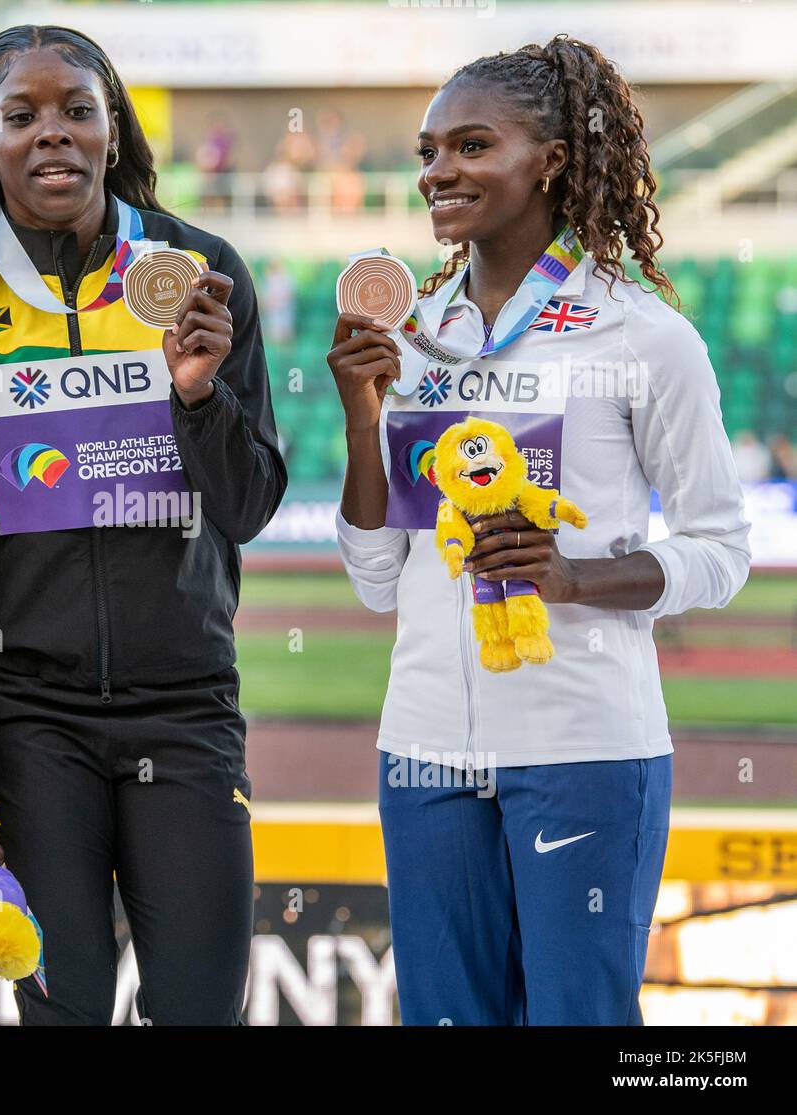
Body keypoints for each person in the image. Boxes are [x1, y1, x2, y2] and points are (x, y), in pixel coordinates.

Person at [328, 36, 751, 1025]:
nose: (439, 171)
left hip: (584, 747)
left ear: (552, 160)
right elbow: (378, 579)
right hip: (424, 748)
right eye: (430, 150)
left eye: (472, 146)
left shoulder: (642, 334)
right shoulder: (412, 333)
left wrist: (575, 576)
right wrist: (361, 415)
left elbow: (722, 547)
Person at [0, 25, 286, 1025]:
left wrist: (197, 396)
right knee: (59, 1011)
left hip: (188, 711)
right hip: (31, 725)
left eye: (77, 110)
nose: (52, 135)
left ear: (113, 130)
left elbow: (244, 506)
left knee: (200, 1009)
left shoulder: (200, 266)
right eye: (20, 116)